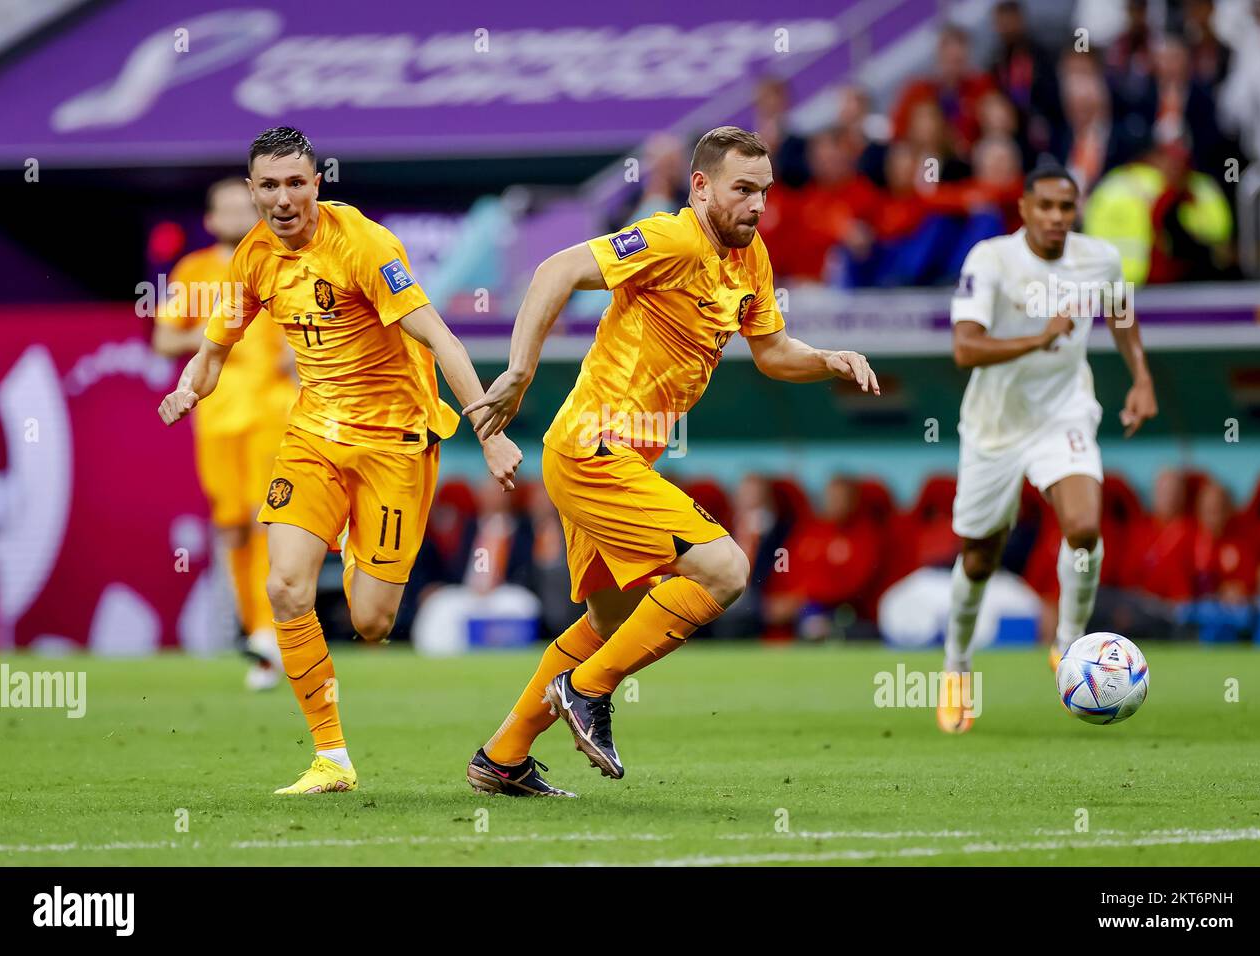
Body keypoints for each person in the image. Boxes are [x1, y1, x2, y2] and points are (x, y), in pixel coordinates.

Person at [461, 126, 880, 796]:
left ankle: (503, 756)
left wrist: (826, 359)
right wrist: (519, 370)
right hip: (595, 450)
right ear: (701, 186)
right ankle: (588, 690)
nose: (756, 206)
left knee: (609, 622)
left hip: (605, 457)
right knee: (725, 569)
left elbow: (771, 353)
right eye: (742, 190)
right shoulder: (671, 237)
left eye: (764, 193)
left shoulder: (749, 258)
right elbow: (556, 270)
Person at [157, 127, 522, 794]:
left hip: (395, 441)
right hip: (315, 435)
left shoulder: (364, 245)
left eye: (295, 182)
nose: (283, 197)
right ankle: (332, 758)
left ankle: (360, 542)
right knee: (284, 587)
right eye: (269, 185)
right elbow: (214, 348)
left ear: (316, 183)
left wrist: (487, 428)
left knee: (371, 622)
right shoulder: (254, 257)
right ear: (252, 191)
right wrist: (188, 387)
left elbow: (438, 334)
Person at [938, 162, 1158, 734]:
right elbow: (965, 349)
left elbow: (1121, 311)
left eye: (1067, 207)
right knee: (980, 556)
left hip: (1064, 411)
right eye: (1047, 207)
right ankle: (957, 666)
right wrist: (1038, 336)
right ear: (1025, 209)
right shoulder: (991, 259)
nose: (1058, 217)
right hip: (994, 425)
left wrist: (1141, 376)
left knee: (1084, 528)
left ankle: (1068, 647)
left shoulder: (1100, 259)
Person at [152, 178, 297, 691]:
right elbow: (163, 336)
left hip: (272, 412)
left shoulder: (279, 257)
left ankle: (269, 634)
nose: (238, 214)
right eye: (227, 208)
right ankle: (254, 631)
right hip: (214, 415)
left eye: (245, 204)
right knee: (232, 525)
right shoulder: (194, 271)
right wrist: (216, 330)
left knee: (268, 521)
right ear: (211, 219)